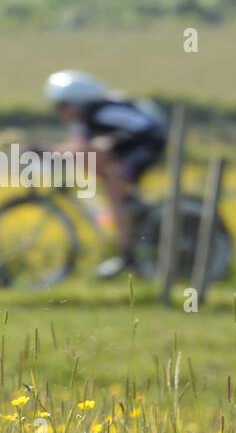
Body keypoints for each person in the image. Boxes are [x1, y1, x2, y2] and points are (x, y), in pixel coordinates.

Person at [44, 70, 167, 278]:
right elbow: (76, 147)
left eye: (62, 106)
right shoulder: (91, 115)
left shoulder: (98, 112)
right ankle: (128, 210)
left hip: (147, 143)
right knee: (92, 159)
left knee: (111, 181)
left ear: (76, 102)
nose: (60, 113)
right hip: (135, 142)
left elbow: (79, 146)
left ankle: (127, 254)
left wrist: (44, 152)